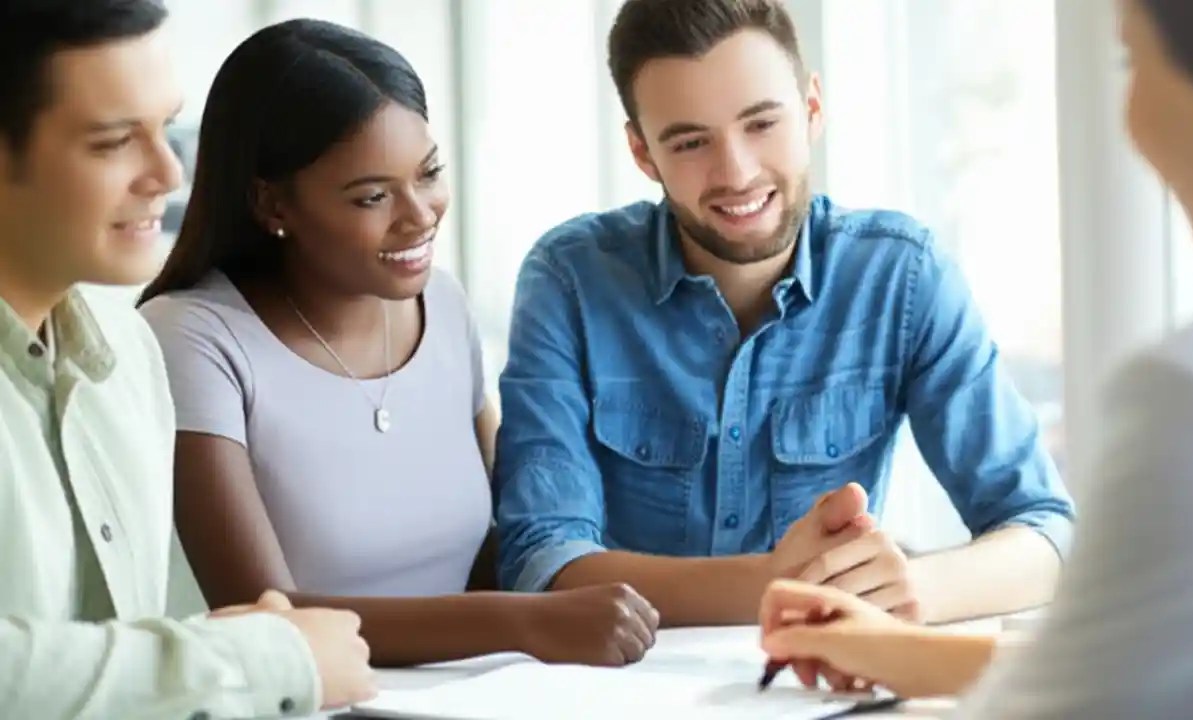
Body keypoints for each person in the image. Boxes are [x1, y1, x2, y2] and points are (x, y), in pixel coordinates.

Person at [759, 0, 1193, 716]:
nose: (1130, 122)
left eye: (1132, 62)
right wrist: (886, 648)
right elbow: (1118, 655)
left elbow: (1065, 702)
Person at [494, 0, 1075, 627]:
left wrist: (908, 589)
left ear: (812, 109)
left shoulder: (902, 277)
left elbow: (1045, 533)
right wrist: (777, 585)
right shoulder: (570, 279)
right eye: (690, 142)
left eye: (761, 124)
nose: (736, 173)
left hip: (830, 685)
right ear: (642, 152)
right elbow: (541, 563)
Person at [138, 18, 660, 669]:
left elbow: (506, 543)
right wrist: (524, 622)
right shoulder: (192, 337)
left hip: (477, 692)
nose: (420, 214)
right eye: (373, 196)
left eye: (429, 173)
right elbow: (268, 618)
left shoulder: (441, 304)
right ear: (272, 204)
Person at [0, 2, 375, 717]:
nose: (169, 174)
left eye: (165, 128)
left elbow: (149, 639)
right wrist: (266, 659)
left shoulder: (130, 354)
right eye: (113, 142)